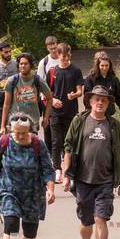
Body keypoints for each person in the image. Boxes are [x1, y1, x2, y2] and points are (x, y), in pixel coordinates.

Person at [62, 85, 120, 239]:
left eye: (104, 100)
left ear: (108, 104)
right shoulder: (79, 121)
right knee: (86, 222)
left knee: (101, 218)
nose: (100, 102)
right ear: (90, 101)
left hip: (106, 181)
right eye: (96, 99)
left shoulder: (115, 126)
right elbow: (68, 147)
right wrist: (67, 174)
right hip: (83, 179)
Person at [47, 43, 83, 182]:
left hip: (71, 111)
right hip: (55, 112)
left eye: (67, 57)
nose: (65, 59)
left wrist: (74, 95)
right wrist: (54, 100)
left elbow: (80, 91)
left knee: (71, 142)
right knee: (56, 142)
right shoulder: (52, 71)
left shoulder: (76, 70)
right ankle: (57, 169)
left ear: (70, 55)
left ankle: (70, 170)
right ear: (57, 55)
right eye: (62, 57)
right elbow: (48, 93)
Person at [0, 52, 53, 137]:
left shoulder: (37, 80)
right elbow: (6, 104)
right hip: (15, 123)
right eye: (21, 64)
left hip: (32, 124)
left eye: (25, 64)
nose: (23, 66)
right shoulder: (12, 81)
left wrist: (46, 117)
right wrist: (2, 126)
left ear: (30, 65)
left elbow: (50, 98)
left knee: (31, 149)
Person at [83, 51, 120, 122]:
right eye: (102, 66)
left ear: (110, 66)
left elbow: (119, 98)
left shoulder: (114, 79)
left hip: (108, 114)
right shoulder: (90, 79)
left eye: (106, 65)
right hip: (93, 115)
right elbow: (86, 98)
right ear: (98, 66)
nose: (104, 68)